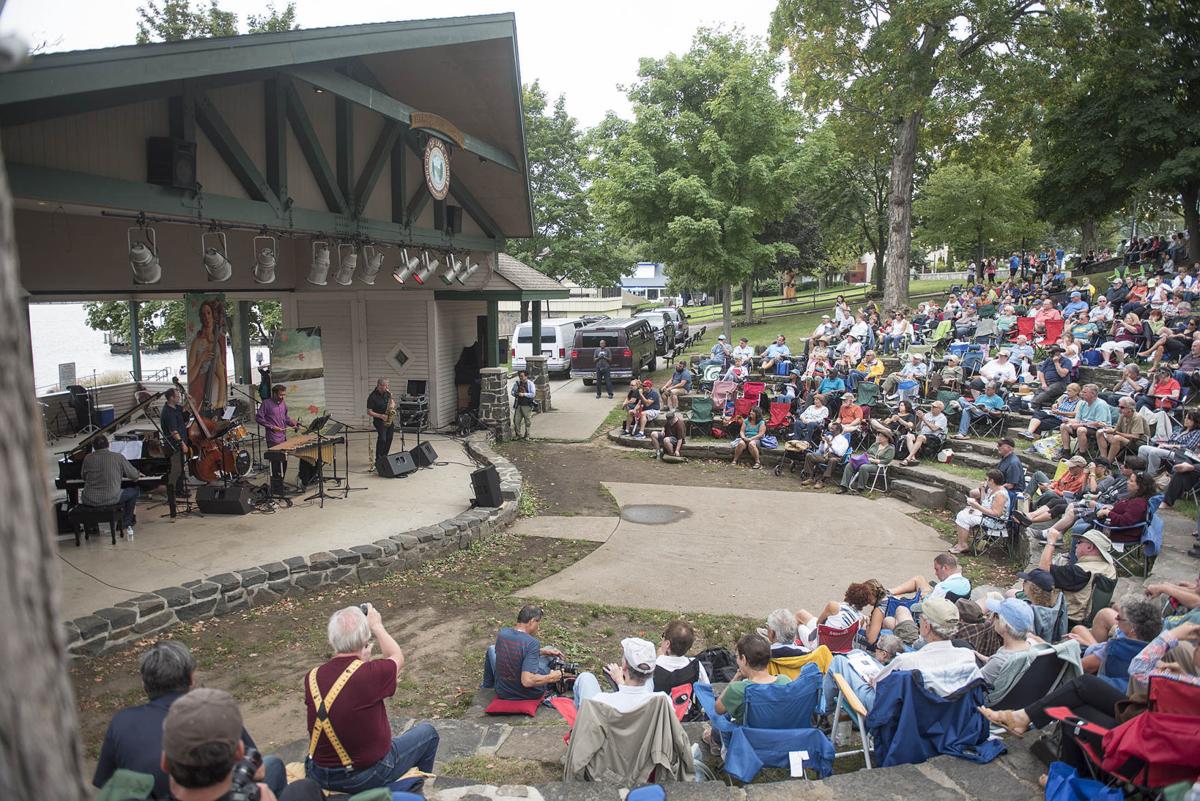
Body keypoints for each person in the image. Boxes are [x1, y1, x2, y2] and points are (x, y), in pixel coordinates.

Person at [979, 622, 1200, 776]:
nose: (1194, 649)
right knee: (1085, 685)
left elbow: (1138, 667)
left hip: (1147, 742)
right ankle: (1023, 718)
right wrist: (1183, 674)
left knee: (1073, 712)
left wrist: (1173, 635)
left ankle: (1067, 774)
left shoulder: (1187, 685)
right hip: (1168, 737)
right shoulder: (1189, 682)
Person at [93, 641, 288, 800]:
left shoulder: (122, 721)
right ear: (191, 678)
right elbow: (258, 767)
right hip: (219, 792)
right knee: (274, 765)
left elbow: (106, 784)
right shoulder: (214, 714)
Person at [306, 604, 439, 794]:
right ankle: (414, 790)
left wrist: (362, 660)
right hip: (363, 775)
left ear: (331, 639)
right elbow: (396, 656)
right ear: (365, 639)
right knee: (428, 734)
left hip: (318, 772)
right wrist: (376, 625)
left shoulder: (312, 676)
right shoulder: (371, 673)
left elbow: (344, 693)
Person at [157, 688, 321, 801]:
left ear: (165, 763)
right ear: (239, 753)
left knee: (274, 764)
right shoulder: (258, 795)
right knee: (303, 789)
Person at [868, 598, 982, 711]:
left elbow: (878, 685)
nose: (919, 621)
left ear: (927, 627)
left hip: (910, 721)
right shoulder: (967, 657)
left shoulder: (906, 662)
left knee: (853, 662)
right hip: (953, 722)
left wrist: (871, 679)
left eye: (920, 618)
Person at [1033, 529, 1118, 626]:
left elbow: (1042, 570)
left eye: (1079, 542)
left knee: (1014, 594)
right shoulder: (1111, 568)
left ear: (1089, 547)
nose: (1076, 545)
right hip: (1089, 619)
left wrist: (1051, 542)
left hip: (1066, 622)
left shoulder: (1080, 572)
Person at [484, 605, 565, 700]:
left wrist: (544, 651)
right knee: (549, 658)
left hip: (502, 691)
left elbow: (516, 651)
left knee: (491, 649)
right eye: (538, 624)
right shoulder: (532, 643)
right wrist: (551, 677)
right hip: (526, 694)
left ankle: (486, 687)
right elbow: (527, 681)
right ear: (532, 621)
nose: (538, 628)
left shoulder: (503, 633)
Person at [572, 637, 665, 712]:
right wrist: (620, 681)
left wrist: (620, 680)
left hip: (607, 734)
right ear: (652, 671)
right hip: (645, 734)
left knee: (586, 677)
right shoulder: (662, 703)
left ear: (624, 666)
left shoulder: (600, 702)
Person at [713, 634, 789, 724]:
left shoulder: (738, 689)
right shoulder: (785, 682)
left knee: (719, 724)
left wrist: (736, 678)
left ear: (744, 659)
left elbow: (718, 709)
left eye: (737, 656)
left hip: (748, 736)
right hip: (779, 733)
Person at [80, 434, 143, 541]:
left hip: (89, 498)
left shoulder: (87, 458)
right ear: (108, 445)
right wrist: (138, 473)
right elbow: (134, 476)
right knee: (134, 491)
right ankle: (126, 522)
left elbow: (84, 477)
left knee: (120, 492)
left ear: (94, 447)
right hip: (111, 497)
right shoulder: (118, 457)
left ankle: (93, 525)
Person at [949, 469, 1010, 554]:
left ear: (992, 481)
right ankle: (962, 543)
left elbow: (996, 513)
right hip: (987, 516)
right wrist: (982, 490)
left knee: (964, 517)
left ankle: (963, 545)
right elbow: (984, 503)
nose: (985, 481)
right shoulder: (993, 489)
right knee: (963, 513)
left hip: (995, 522)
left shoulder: (1000, 495)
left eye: (986, 479)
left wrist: (977, 507)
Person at [979, 599, 1035, 688]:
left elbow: (974, 682)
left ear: (1004, 625)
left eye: (996, 615)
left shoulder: (998, 662)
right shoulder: (1033, 646)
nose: (992, 618)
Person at [257, 384, 301, 493]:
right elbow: (259, 418)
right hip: (273, 439)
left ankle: (280, 484)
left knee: (284, 463)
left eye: (284, 395)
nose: (282, 397)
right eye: (280, 395)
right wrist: (272, 427)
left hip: (283, 438)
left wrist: (293, 424)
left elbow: (285, 418)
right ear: (274, 393)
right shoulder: (266, 404)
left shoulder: (283, 404)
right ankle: (275, 488)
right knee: (275, 464)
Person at [187, 298, 228, 410]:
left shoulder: (218, 341)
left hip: (214, 390)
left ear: (213, 316)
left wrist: (220, 403)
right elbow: (190, 378)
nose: (206, 317)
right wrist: (200, 360)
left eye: (208, 313)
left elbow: (221, 374)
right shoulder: (197, 342)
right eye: (203, 314)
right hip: (199, 388)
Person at [888, 553, 972, 606]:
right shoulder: (966, 582)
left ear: (945, 568)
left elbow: (925, 608)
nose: (936, 573)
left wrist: (923, 597)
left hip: (931, 610)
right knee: (919, 578)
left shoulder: (942, 587)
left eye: (937, 569)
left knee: (898, 597)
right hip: (944, 604)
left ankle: (889, 593)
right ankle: (890, 592)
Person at [1138, 409, 1200, 475]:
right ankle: (1141, 473)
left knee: (1154, 452)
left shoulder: (1197, 432)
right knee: (1142, 448)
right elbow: (1169, 440)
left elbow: (1189, 447)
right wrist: (1163, 444)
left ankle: (1151, 476)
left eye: (1189, 419)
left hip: (1178, 454)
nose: (1186, 420)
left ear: (1196, 422)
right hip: (1167, 448)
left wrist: (1168, 446)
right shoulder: (1180, 429)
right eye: (1186, 417)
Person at [1059, 383, 1110, 457]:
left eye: (1084, 392)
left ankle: (1081, 454)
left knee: (1081, 429)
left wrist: (1080, 424)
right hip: (1084, 425)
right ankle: (1066, 452)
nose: (1081, 394)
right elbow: (1077, 419)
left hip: (1098, 429)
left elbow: (1099, 423)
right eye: (1082, 392)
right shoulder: (1083, 403)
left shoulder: (1100, 404)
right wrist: (1068, 420)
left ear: (1093, 394)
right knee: (1063, 426)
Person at [1096, 396, 1149, 463]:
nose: (1119, 409)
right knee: (1100, 432)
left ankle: (1108, 463)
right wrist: (1106, 429)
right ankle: (1103, 458)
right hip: (1125, 439)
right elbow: (1116, 430)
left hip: (1138, 443)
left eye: (1122, 407)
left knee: (1117, 438)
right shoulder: (1122, 416)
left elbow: (1136, 437)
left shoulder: (1137, 417)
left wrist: (1117, 433)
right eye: (1119, 407)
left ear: (1130, 408)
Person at [656, 620, 710, 685]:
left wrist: (658, 659)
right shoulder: (695, 666)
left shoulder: (654, 667)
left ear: (667, 644)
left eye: (663, 636)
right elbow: (706, 688)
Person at [160, 387, 190, 498]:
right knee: (177, 468)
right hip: (174, 444)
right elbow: (173, 431)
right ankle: (178, 491)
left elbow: (184, 410)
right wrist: (182, 443)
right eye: (177, 396)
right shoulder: (168, 412)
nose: (178, 398)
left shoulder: (175, 407)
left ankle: (180, 489)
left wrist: (188, 400)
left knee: (181, 466)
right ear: (171, 398)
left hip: (181, 441)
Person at [899, 400, 947, 466]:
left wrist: (923, 418)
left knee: (920, 437)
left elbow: (934, 429)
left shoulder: (942, 418)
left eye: (934, 407)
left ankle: (908, 458)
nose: (932, 407)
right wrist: (920, 419)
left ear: (940, 409)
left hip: (935, 437)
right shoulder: (927, 415)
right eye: (932, 406)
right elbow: (918, 429)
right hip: (923, 435)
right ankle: (913, 458)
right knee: (909, 436)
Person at [365, 377, 394, 473]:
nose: (387, 387)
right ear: (380, 385)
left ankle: (385, 456)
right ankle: (378, 459)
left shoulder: (387, 394)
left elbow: (392, 403)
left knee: (389, 438)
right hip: (379, 420)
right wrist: (381, 416)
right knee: (382, 438)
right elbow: (369, 412)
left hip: (388, 418)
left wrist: (391, 405)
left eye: (387, 385)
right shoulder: (372, 397)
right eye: (386, 385)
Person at [510, 370, 537, 439]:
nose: (520, 377)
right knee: (516, 420)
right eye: (520, 376)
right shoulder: (517, 383)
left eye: (522, 376)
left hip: (527, 405)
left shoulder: (530, 384)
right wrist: (516, 394)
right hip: (518, 405)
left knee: (527, 421)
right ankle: (518, 435)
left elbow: (533, 394)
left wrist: (524, 394)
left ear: (526, 376)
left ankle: (527, 435)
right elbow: (512, 392)